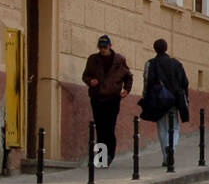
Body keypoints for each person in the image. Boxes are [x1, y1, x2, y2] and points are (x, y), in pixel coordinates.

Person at [81, 35, 132, 166]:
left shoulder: (119, 60)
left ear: (110, 46)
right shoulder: (93, 59)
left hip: (113, 98)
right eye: (100, 47)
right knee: (100, 128)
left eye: (105, 47)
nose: (102, 49)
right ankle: (102, 158)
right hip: (97, 97)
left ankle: (109, 154)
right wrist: (90, 81)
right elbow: (85, 75)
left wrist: (127, 89)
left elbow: (128, 76)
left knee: (109, 127)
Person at [143, 38, 190, 166]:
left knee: (162, 129)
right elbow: (185, 82)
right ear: (166, 48)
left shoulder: (150, 63)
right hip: (174, 100)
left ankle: (166, 157)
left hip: (158, 100)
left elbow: (147, 82)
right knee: (174, 127)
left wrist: (146, 98)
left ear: (155, 49)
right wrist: (186, 98)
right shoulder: (176, 63)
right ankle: (171, 148)